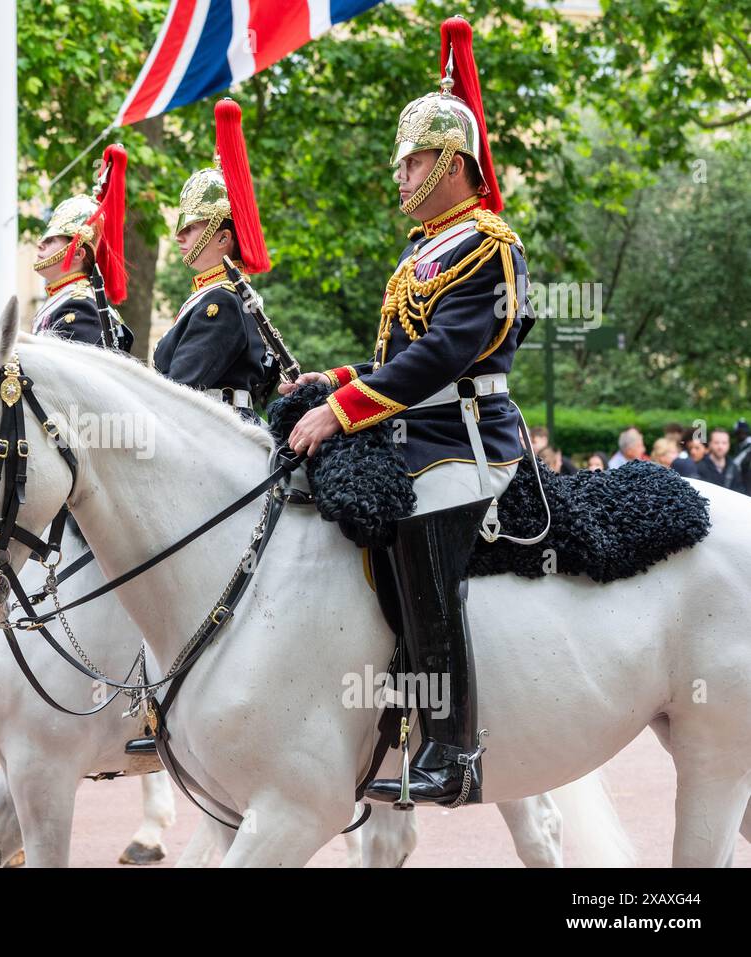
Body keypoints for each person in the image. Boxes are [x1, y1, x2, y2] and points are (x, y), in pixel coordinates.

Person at [284, 18, 530, 806]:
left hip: (464, 441)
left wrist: (345, 408)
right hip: (414, 433)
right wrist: (344, 378)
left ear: (452, 164)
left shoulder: (487, 244)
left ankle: (453, 748)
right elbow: (399, 355)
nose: (399, 174)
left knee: (421, 536)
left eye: (414, 159)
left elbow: (447, 353)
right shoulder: (422, 248)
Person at [154, 98, 276, 424]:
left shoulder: (220, 301)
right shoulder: (221, 295)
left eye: (191, 228)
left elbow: (178, 388)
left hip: (218, 431)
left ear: (223, 238)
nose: (179, 237)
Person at [32, 144, 134, 352]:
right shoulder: (64, 298)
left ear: (78, 253)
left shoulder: (79, 306)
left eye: (52, 240)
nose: (40, 243)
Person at [696, 428, 746, 493]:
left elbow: (740, 492)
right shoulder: (699, 467)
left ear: (729, 445)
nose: (720, 446)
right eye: (716, 443)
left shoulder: (734, 468)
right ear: (710, 444)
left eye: (724, 443)